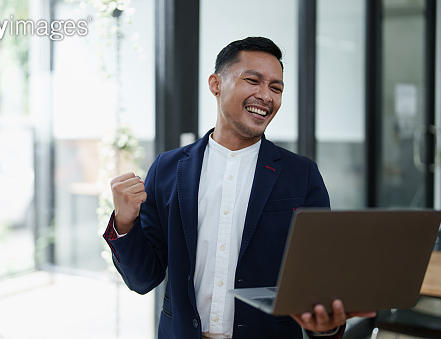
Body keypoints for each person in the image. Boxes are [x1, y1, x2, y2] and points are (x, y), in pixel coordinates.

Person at [103, 36, 375, 338]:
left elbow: (321, 277)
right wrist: (125, 221)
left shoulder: (302, 174)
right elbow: (143, 279)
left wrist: (326, 328)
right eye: (253, 81)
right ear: (216, 84)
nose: (266, 96)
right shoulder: (168, 169)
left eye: (276, 87)